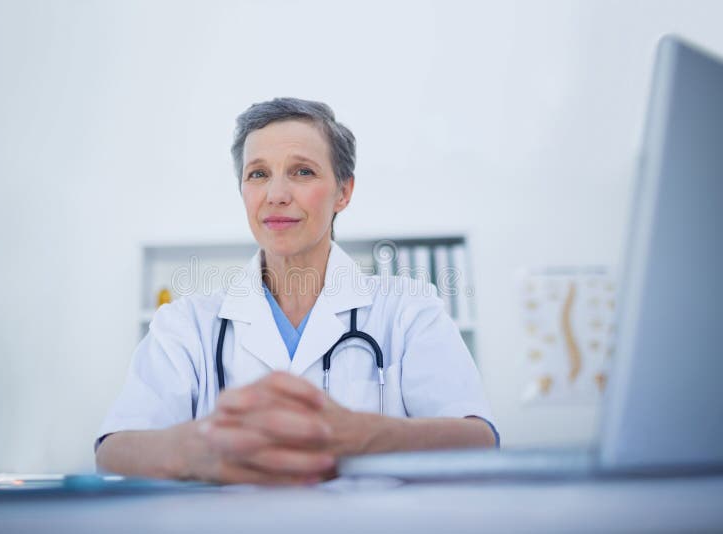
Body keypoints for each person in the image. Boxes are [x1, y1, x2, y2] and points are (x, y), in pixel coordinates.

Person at [95, 97, 498, 485]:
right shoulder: (185, 323)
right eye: (258, 174)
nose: (276, 194)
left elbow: (478, 440)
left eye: (302, 171)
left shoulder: (408, 309)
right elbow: (115, 451)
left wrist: (362, 435)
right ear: (243, 192)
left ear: (344, 192)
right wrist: (201, 447)